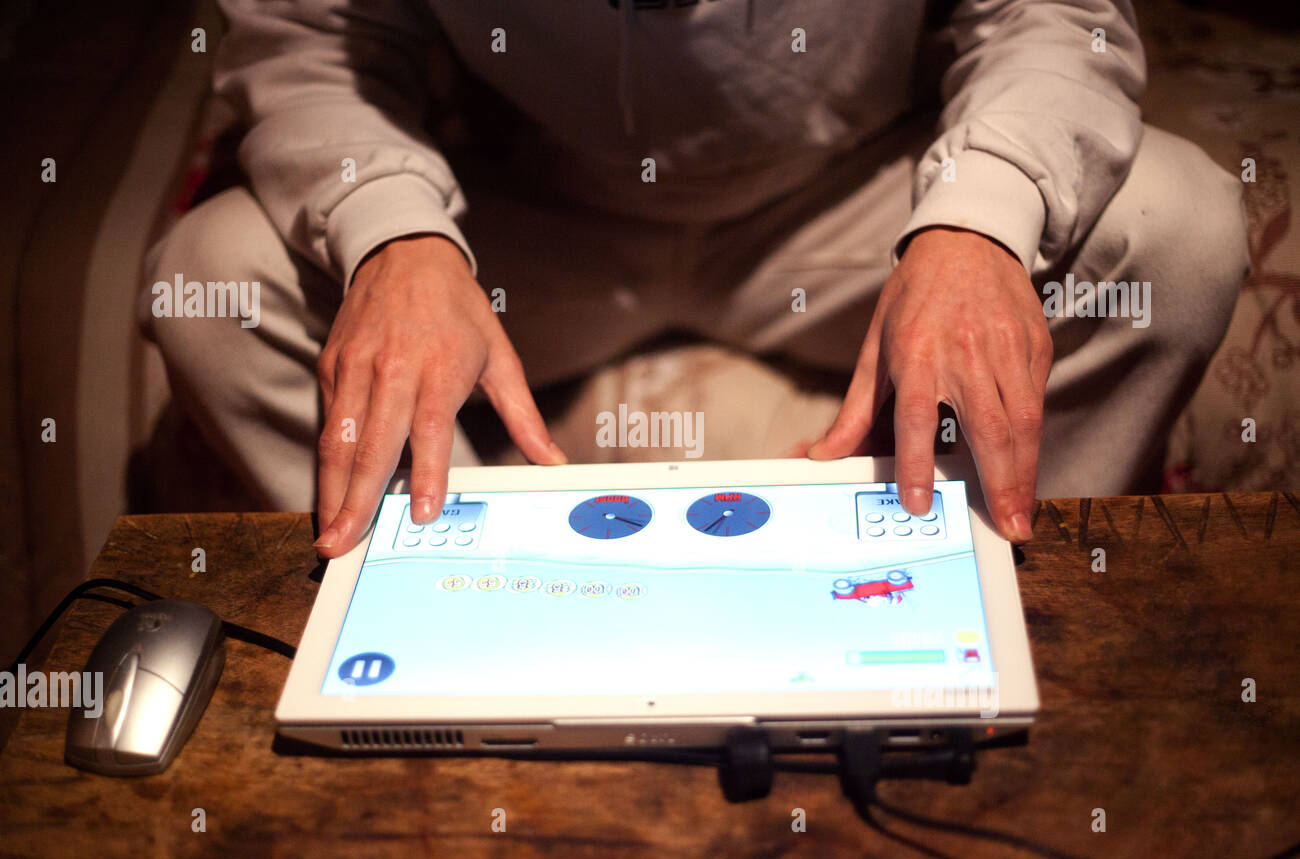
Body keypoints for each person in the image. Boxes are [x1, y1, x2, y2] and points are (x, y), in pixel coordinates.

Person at [143, 0, 1249, 559]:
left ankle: (992, 594)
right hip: (532, 219)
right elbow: (310, 31)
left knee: (1180, 225)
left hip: (853, 203)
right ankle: (431, 609)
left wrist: (978, 221)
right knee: (210, 274)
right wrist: (393, 235)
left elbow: (1048, 14)